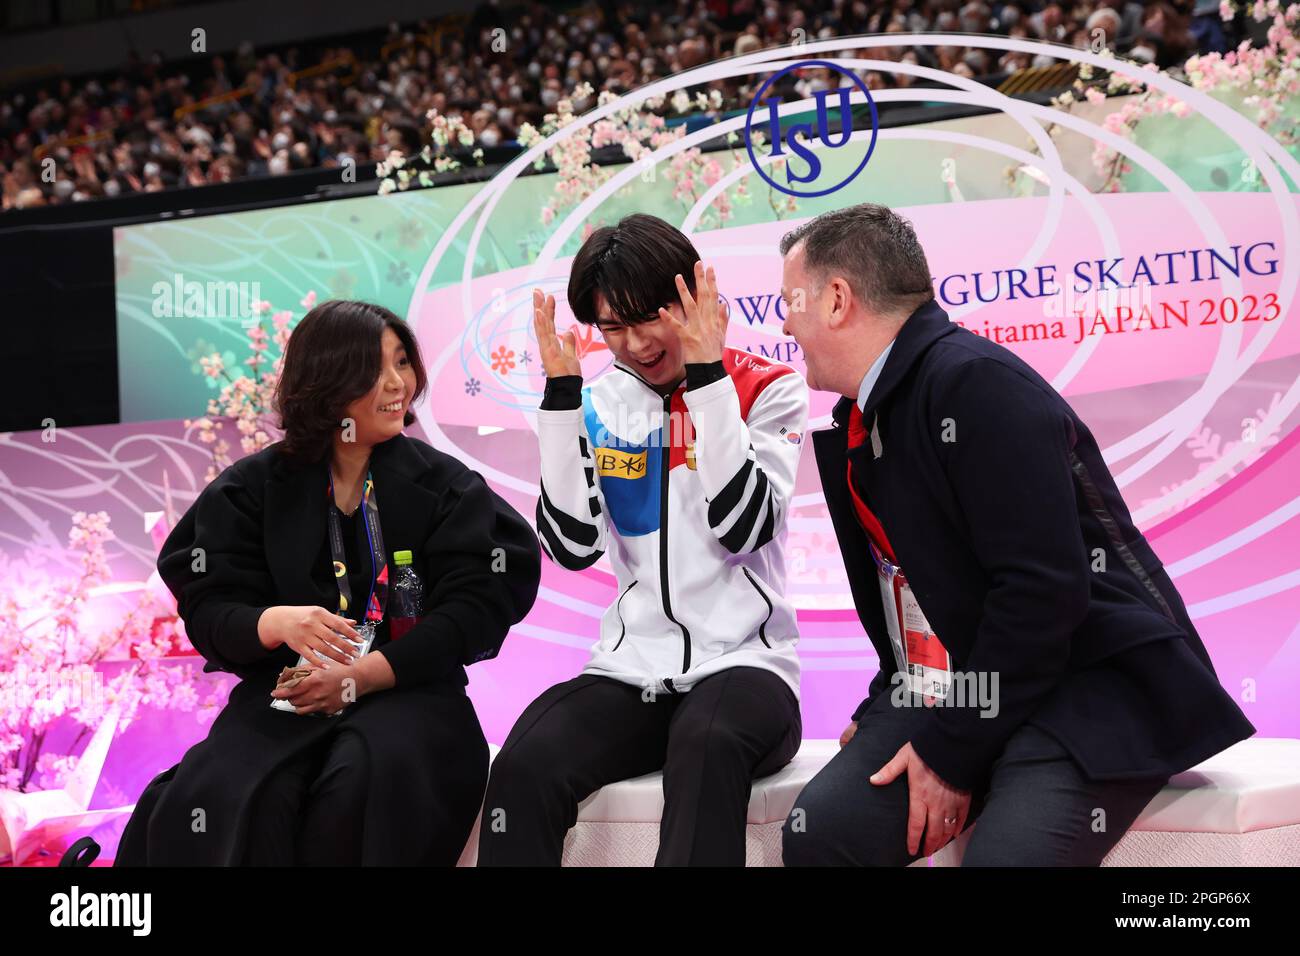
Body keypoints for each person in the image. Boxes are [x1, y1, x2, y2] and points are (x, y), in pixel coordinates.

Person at [776, 204, 1255, 866]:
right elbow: (925, 589)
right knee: (823, 829)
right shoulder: (876, 412)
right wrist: (898, 691)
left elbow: (1042, 594)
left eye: (789, 302)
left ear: (836, 300)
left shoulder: (972, 382)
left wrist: (951, 750)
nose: (783, 322)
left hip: (1082, 684)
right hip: (968, 682)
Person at [116, 299, 541, 866]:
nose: (398, 384)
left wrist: (362, 676)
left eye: (403, 363)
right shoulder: (253, 488)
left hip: (410, 694)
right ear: (327, 382)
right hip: (286, 697)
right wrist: (274, 622)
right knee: (223, 797)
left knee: (361, 780)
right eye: (375, 369)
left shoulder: (444, 487)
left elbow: (476, 608)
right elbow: (210, 602)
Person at [477, 213, 808, 866]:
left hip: (748, 672)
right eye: (612, 327)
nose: (633, 343)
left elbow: (743, 525)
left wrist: (709, 379)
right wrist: (563, 401)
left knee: (707, 743)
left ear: (690, 296)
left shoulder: (767, 389)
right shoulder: (601, 406)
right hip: (633, 673)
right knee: (528, 760)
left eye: (646, 316)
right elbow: (573, 548)